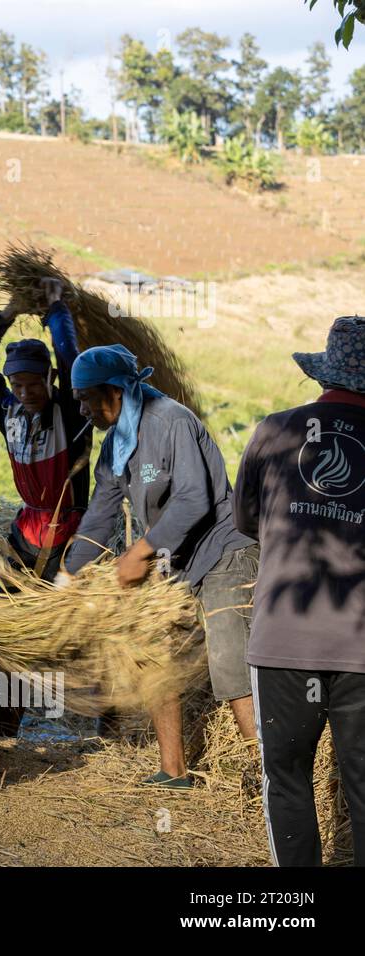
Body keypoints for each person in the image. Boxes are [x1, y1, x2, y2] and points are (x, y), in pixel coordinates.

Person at [61, 344, 259, 789]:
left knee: (228, 659)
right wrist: (68, 575)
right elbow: (101, 512)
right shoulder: (115, 443)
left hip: (221, 550)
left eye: (85, 396)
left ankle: (268, 775)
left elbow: (195, 499)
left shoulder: (170, 420)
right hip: (174, 559)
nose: (81, 407)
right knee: (155, 655)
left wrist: (139, 551)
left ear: (114, 391)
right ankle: (174, 772)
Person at [233, 316, 365, 865]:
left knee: (286, 778)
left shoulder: (275, 429)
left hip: (286, 637)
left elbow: (246, 519)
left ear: (323, 376)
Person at [0, 277, 91, 736]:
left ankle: (100, 714)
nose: (22, 392)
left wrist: (57, 310)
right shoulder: (8, 411)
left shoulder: (73, 411)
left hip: (70, 534)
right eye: (16, 384)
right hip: (26, 532)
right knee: (3, 620)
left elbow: (72, 358)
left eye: (32, 384)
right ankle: (5, 715)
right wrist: (8, 312)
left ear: (50, 381)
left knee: (55, 628)